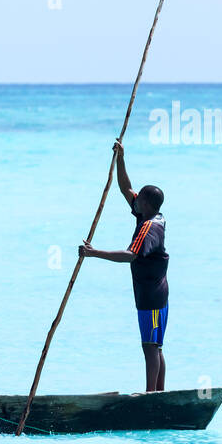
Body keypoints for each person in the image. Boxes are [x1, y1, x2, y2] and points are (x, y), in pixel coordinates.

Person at [78, 139, 169, 392]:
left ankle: (152, 395)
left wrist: (93, 253)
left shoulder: (149, 228)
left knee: (150, 347)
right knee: (155, 346)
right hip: (156, 293)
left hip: (151, 296)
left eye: (139, 199)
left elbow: (130, 255)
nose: (134, 199)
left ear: (147, 205)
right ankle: (159, 394)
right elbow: (125, 188)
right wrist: (121, 157)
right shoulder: (150, 214)